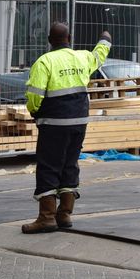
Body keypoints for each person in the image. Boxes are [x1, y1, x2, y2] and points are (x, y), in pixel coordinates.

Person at [21, 23, 111, 234]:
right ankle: (65, 214)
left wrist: (35, 112)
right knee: (70, 165)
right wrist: (105, 38)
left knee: (49, 167)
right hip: (79, 122)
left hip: (53, 124)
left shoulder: (45, 62)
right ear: (69, 38)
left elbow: (35, 96)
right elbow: (100, 55)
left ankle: (47, 218)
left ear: (49, 40)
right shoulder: (83, 57)